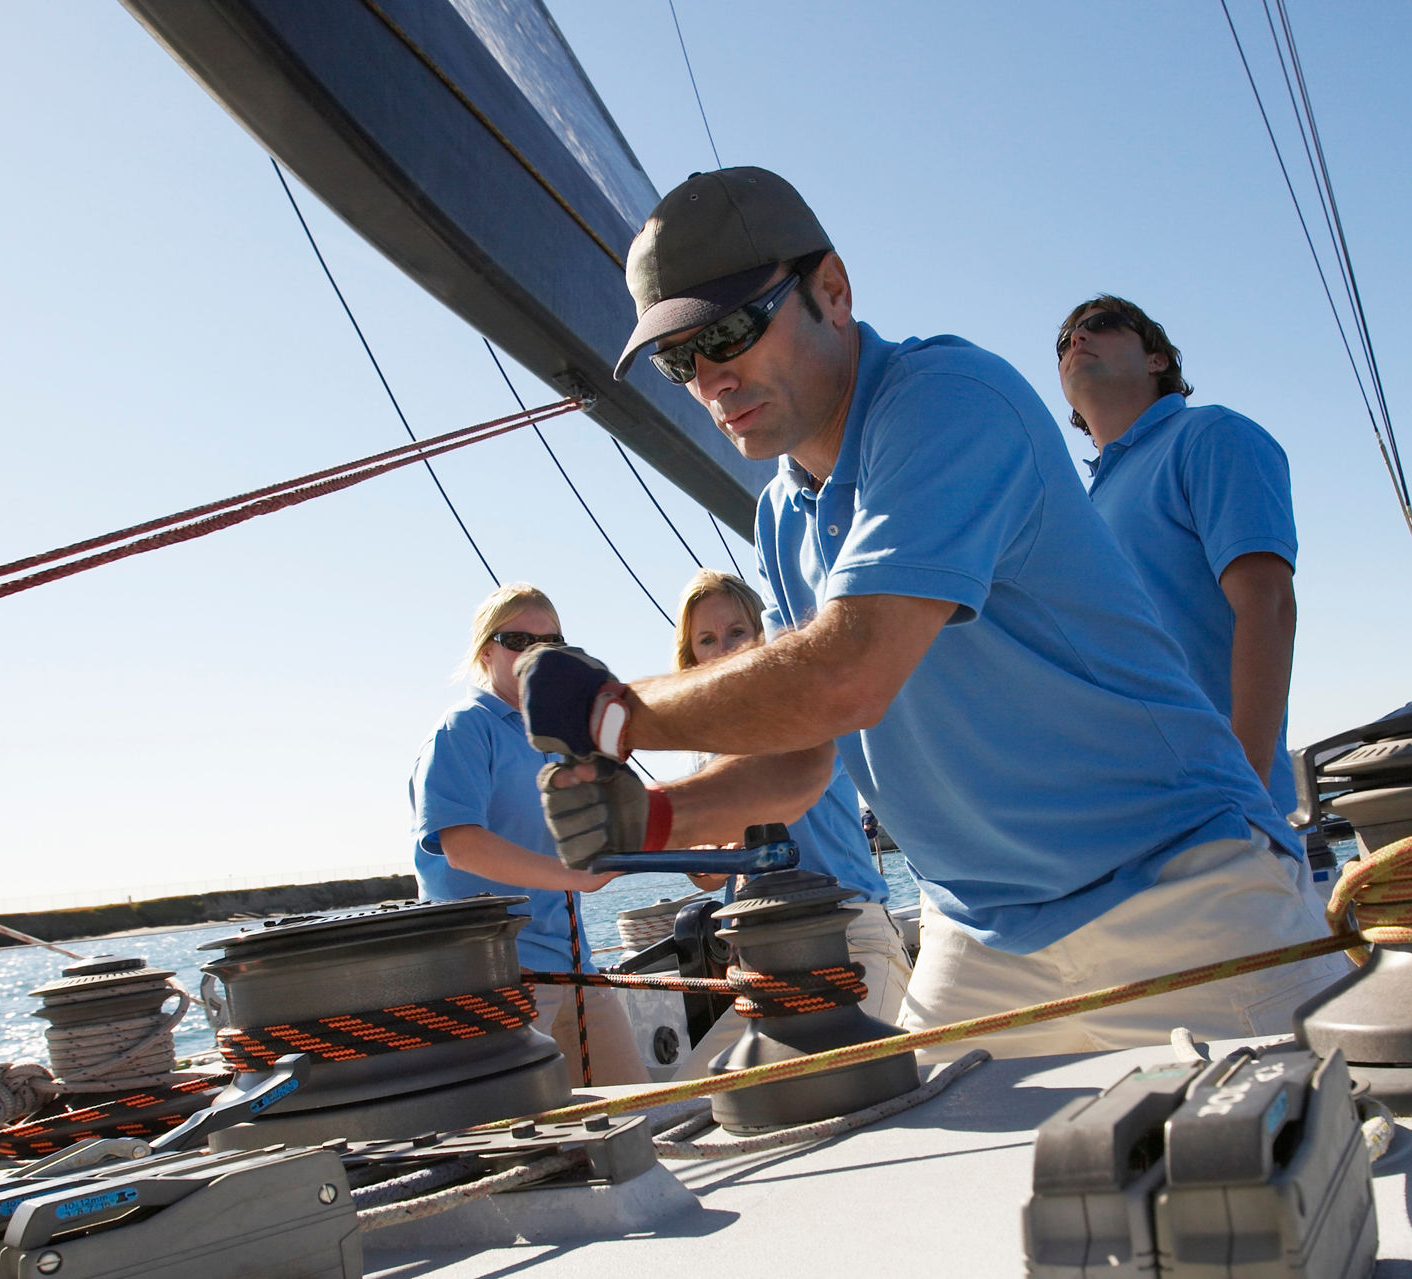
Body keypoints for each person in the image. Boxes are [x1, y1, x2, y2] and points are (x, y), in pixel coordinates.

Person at [522, 166, 1343, 1060]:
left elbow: (849, 674)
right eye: (682, 360)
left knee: (1302, 1175)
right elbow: (805, 758)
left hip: (1186, 890)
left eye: (727, 332)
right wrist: (659, 821)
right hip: (979, 935)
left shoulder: (949, 398)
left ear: (832, 292)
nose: (711, 377)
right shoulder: (780, 512)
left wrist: (613, 713)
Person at [1058, 295, 1299, 818]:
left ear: (1157, 360)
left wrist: (1247, 793)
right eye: (1065, 341)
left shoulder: (1210, 436)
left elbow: (1268, 604)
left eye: (1100, 325)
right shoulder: (1083, 507)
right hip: (1125, 821)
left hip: (1219, 814)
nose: (1077, 339)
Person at [667, 569, 913, 1078]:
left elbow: (779, 797)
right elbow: (709, 875)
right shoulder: (707, 752)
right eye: (707, 641)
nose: (725, 649)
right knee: (691, 1100)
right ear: (693, 659)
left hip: (853, 938)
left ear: (762, 633)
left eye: (737, 631)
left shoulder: (808, 713)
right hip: (762, 961)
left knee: (861, 1081)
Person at [408, 581, 647, 1085]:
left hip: (575, 968)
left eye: (552, 644)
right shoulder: (464, 729)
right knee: (524, 1133)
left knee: (638, 1111)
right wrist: (574, 877)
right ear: (487, 651)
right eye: (520, 641)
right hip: (496, 979)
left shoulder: (562, 739)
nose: (536, 655)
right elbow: (460, 844)